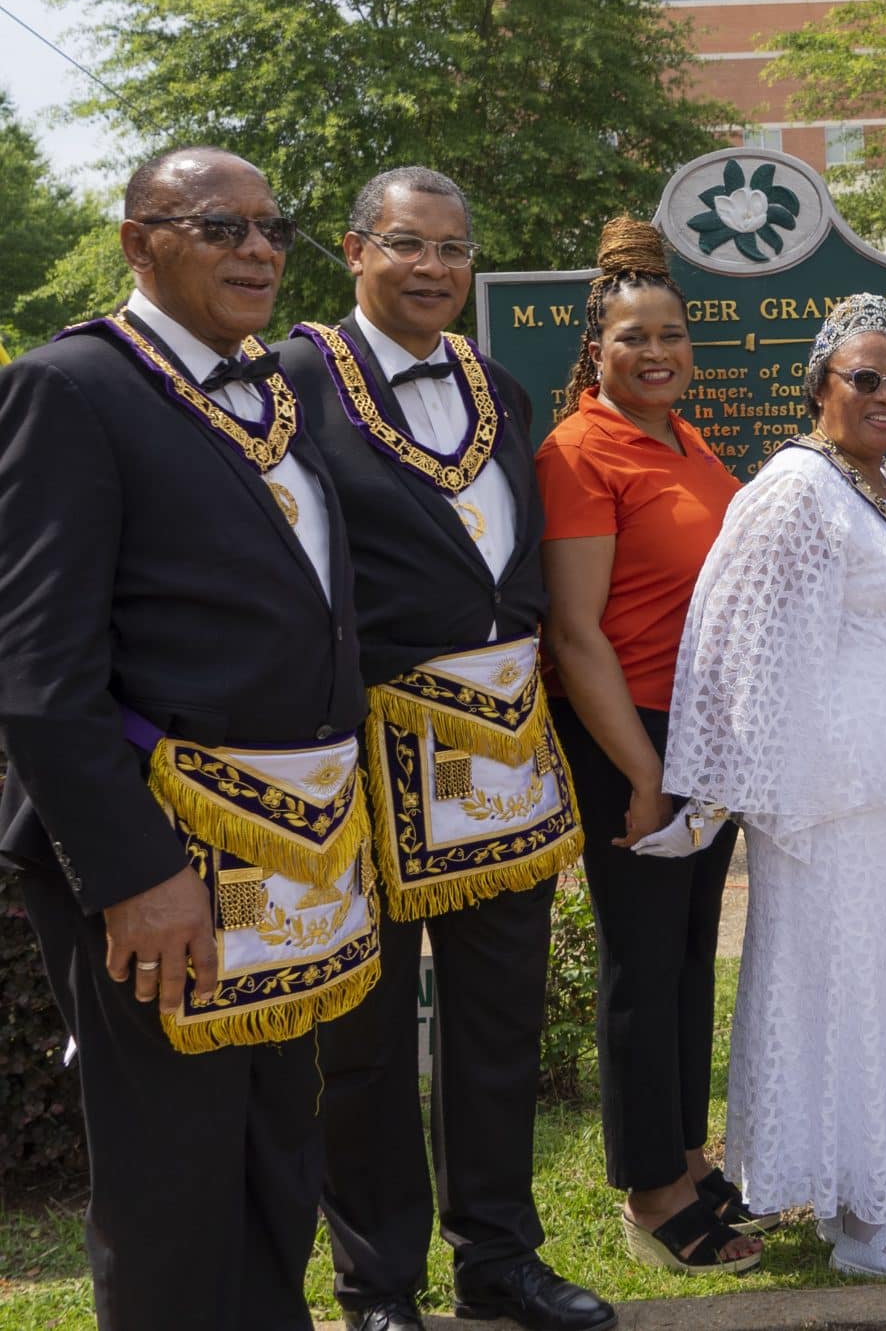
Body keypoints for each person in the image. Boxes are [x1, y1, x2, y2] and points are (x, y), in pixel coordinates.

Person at [0, 147, 375, 1330]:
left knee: (275, 1145)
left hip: (294, 840)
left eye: (274, 227)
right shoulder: (73, 386)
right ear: (138, 243)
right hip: (167, 854)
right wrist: (134, 876)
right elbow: (37, 673)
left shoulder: (267, 387)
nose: (259, 250)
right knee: (173, 1167)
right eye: (220, 227)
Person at [279, 167, 607, 1331]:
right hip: (366, 753)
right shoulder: (292, 381)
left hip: (501, 749)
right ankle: (378, 1283)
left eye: (454, 251)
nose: (433, 270)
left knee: (497, 1027)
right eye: (408, 246)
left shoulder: (501, 387)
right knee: (363, 1042)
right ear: (356, 250)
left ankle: (499, 1260)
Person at [656, 295, 886, 1281]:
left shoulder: (885, 486)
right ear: (819, 386)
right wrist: (760, 789)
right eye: (865, 378)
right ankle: (859, 1224)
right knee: (849, 997)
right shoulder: (793, 489)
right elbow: (739, 645)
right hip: (840, 803)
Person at [535, 217, 759, 1275]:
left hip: (703, 735)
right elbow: (575, 632)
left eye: (671, 333)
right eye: (634, 337)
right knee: (640, 965)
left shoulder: (685, 439)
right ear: (597, 350)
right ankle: (648, 1191)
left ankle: (685, 1153)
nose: (657, 351)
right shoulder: (579, 453)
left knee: (684, 959)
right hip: (633, 736)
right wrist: (640, 774)